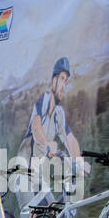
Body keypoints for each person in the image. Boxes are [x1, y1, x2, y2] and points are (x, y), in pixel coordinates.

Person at [19, 56, 84, 188]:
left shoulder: (58, 113)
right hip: (24, 170)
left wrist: (78, 162)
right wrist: (47, 143)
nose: (63, 85)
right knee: (33, 206)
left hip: (38, 171)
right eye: (62, 79)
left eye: (66, 81)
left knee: (53, 206)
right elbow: (36, 127)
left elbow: (69, 139)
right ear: (53, 80)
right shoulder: (44, 100)